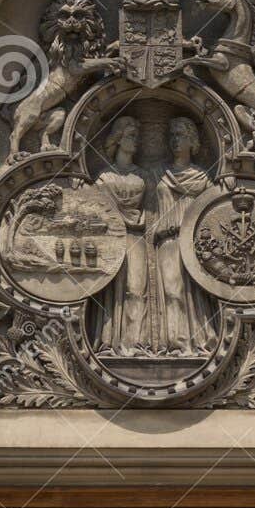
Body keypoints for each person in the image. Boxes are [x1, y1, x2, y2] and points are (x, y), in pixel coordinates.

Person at [153, 115, 211, 353]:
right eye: (172, 136)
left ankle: (200, 342)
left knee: (197, 291)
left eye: (181, 136)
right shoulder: (160, 175)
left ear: (192, 141)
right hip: (167, 241)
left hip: (194, 243)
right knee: (172, 291)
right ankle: (175, 342)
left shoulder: (203, 178)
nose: (175, 141)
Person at [95, 116, 149, 353]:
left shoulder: (143, 177)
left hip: (136, 237)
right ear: (117, 139)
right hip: (110, 240)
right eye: (130, 136)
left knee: (136, 288)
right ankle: (109, 342)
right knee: (110, 291)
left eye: (137, 136)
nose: (135, 141)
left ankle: (136, 342)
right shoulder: (104, 178)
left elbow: (153, 211)